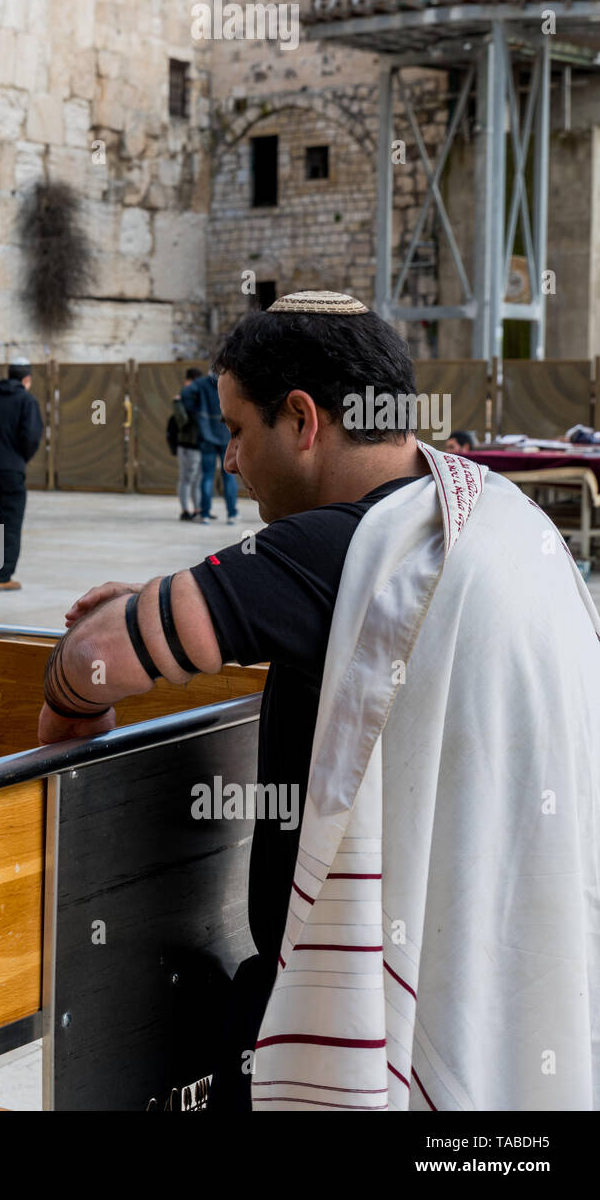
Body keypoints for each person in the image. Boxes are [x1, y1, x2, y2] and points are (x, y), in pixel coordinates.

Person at [39, 290, 600, 1111]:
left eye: (236, 430)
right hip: (508, 979)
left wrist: (69, 716)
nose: (228, 459)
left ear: (302, 420)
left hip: (384, 1019)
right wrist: (188, 601)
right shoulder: (490, 513)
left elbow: (93, 657)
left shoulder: (351, 549)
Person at [0, 359, 44, 591]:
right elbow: (31, 436)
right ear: (27, 379)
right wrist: (21, 457)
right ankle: (2, 577)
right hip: (11, 468)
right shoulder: (26, 400)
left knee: (3, 517)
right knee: (11, 522)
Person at [181, 367, 238, 525]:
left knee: (207, 476)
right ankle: (231, 514)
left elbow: (185, 394)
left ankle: (205, 514)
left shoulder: (202, 383)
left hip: (206, 434)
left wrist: (196, 412)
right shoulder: (230, 382)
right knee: (229, 476)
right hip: (226, 434)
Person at [170, 368, 203, 522]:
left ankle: (194, 510)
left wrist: (177, 403)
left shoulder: (192, 397)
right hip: (193, 444)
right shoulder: (190, 396)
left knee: (192, 480)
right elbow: (182, 421)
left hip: (194, 444)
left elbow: (183, 420)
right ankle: (190, 510)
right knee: (190, 479)